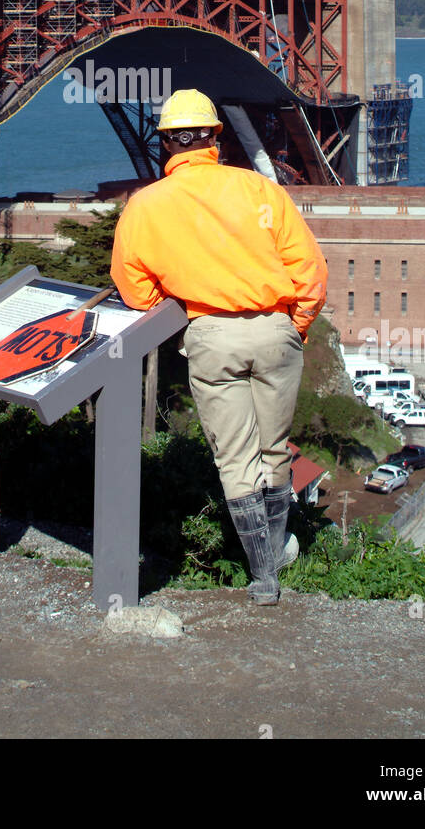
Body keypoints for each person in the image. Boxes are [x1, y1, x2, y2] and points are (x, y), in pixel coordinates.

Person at [109, 88, 328, 605]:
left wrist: (186, 310)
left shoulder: (145, 206)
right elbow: (310, 273)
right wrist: (291, 327)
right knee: (275, 451)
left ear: (165, 143)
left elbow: (133, 286)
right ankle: (278, 554)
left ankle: (263, 576)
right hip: (277, 330)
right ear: (216, 136)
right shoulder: (260, 190)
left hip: (209, 335)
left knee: (235, 461)